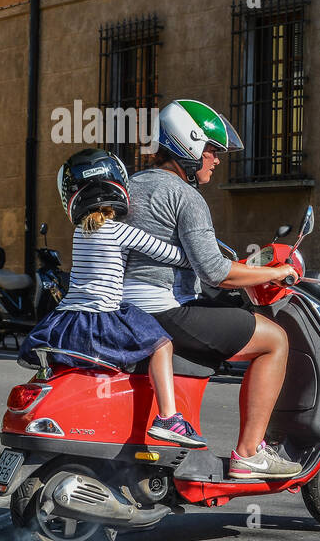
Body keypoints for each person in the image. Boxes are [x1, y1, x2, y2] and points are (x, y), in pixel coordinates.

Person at [121, 99, 302, 480]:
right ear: (187, 146)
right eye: (211, 151)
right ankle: (251, 453)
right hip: (165, 312)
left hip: (126, 311)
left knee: (230, 317)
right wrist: (276, 272)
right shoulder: (186, 197)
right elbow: (215, 271)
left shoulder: (131, 186)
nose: (216, 160)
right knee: (275, 340)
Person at [18, 148, 207, 448]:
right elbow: (173, 255)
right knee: (162, 345)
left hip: (67, 319)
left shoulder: (81, 232)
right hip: (103, 316)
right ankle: (169, 419)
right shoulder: (121, 231)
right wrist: (203, 255)